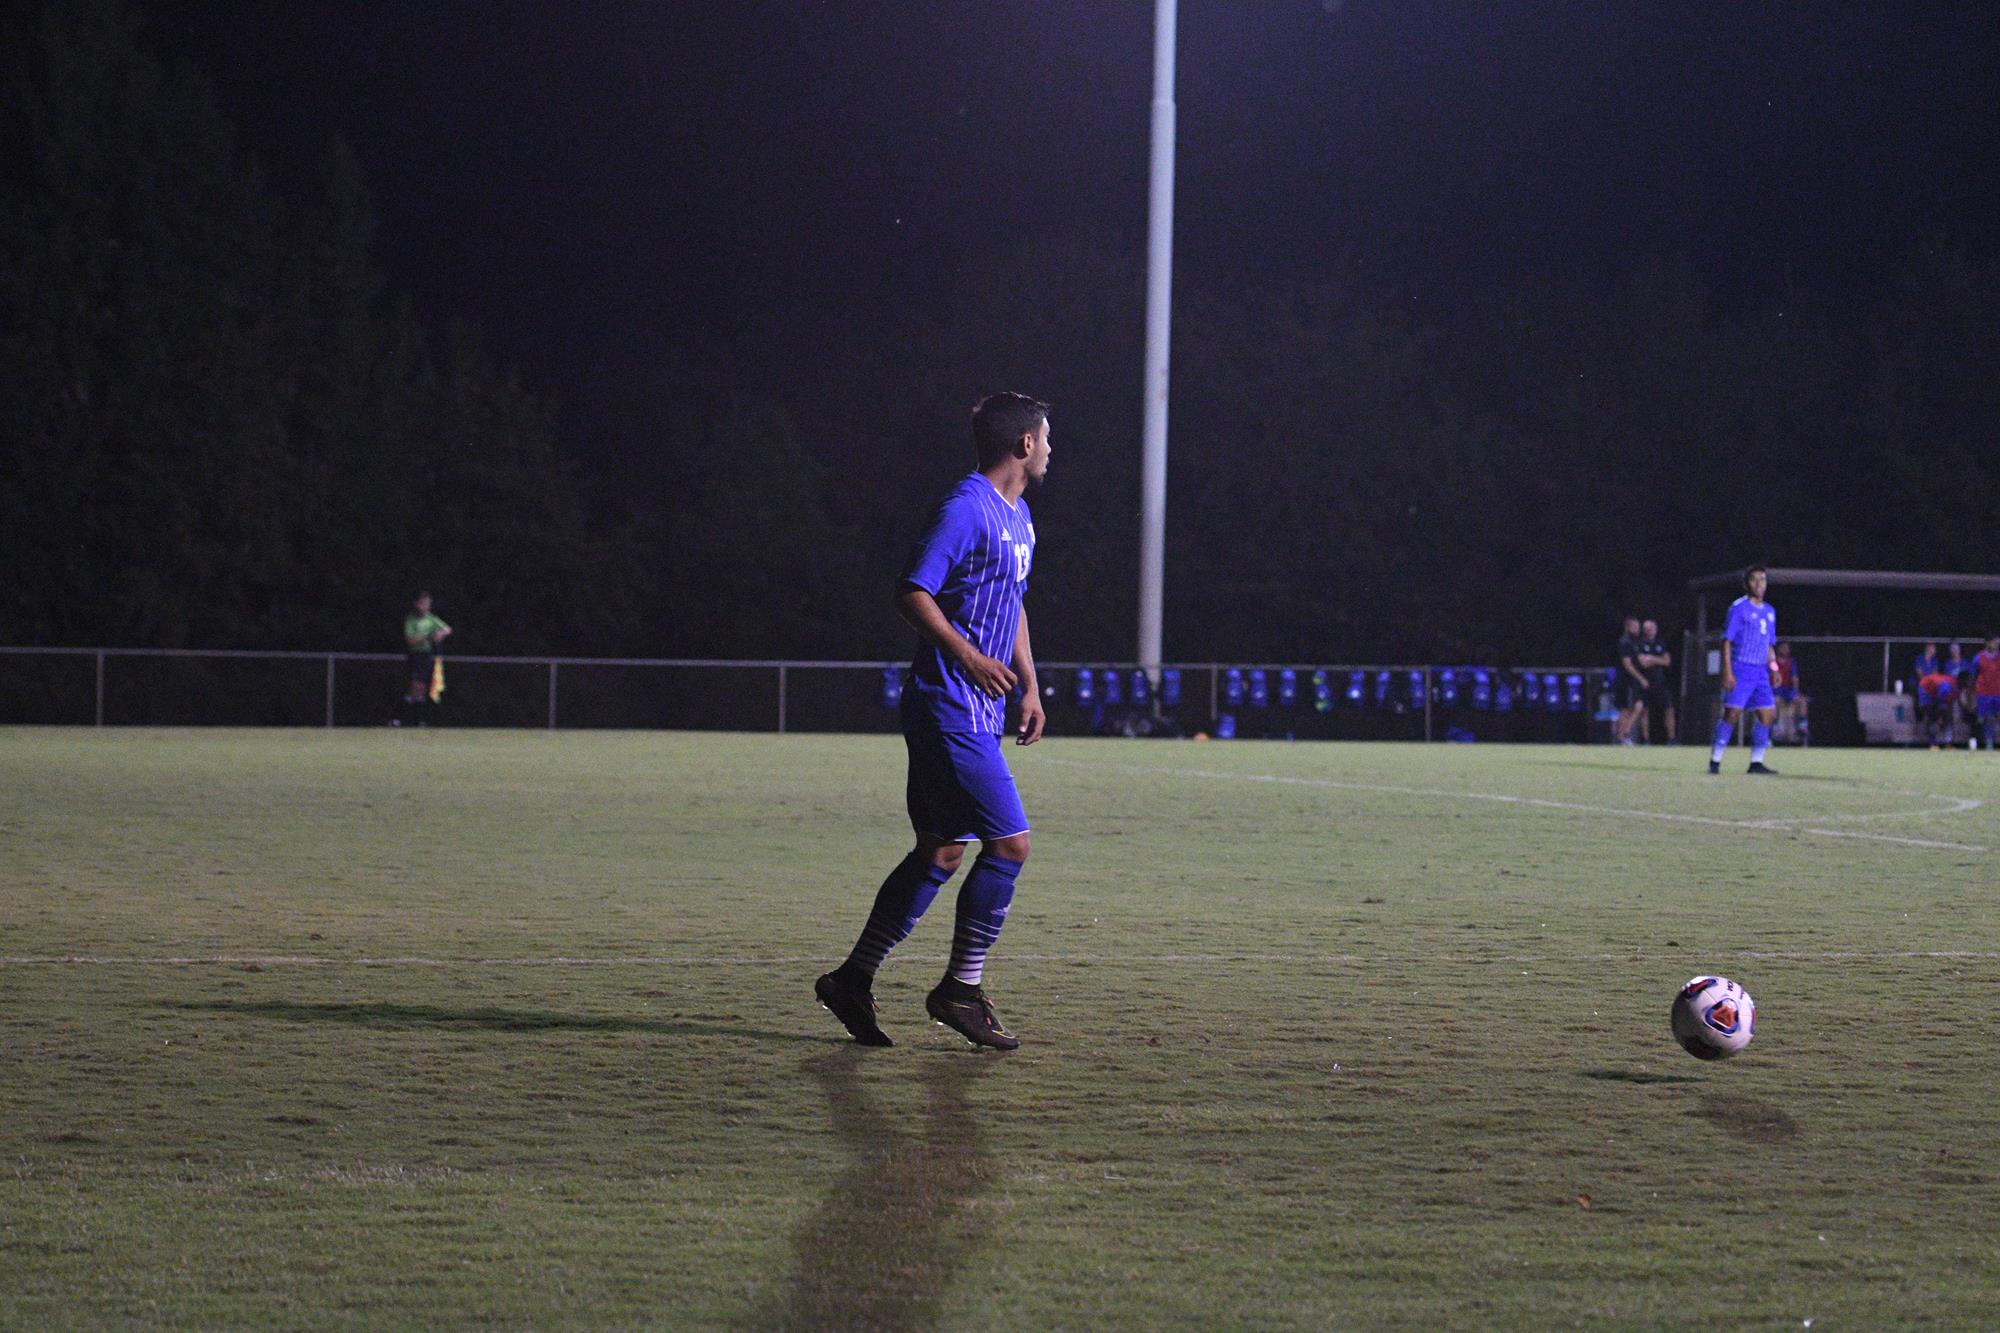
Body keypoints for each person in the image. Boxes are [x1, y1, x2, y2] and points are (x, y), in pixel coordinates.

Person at [815, 392, 1051, 1050]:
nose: (1052, 449)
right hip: (949, 705)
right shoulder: (965, 508)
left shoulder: (1020, 516)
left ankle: (851, 979)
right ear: (1024, 445)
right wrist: (971, 656)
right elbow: (911, 590)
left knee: (943, 849)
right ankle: (960, 989)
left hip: (979, 707)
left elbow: (1013, 601)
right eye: (1046, 437)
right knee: (1010, 844)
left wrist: (1028, 682)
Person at [1710, 565, 1779, 775]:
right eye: (1755, 580)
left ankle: (1756, 763)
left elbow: (1769, 644)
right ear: (1747, 584)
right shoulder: (1738, 608)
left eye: (1763, 580)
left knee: (1767, 716)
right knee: (1732, 714)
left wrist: (1774, 668)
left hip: (1760, 672)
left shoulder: (1770, 611)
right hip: (1741, 667)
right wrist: (1727, 671)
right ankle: (1715, 762)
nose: (1759, 584)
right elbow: (1727, 640)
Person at [396, 591, 451, 726]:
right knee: (415, 686)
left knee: (422, 688)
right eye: (423, 603)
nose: (426, 606)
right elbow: (410, 641)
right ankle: (398, 717)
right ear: (417, 604)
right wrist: (428, 637)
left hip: (426, 656)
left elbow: (447, 629)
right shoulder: (411, 619)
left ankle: (418, 720)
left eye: (428, 603)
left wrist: (441, 634)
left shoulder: (431, 618)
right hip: (415, 655)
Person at [1638, 618, 1675, 743]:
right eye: (1647, 629)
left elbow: (1667, 661)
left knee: (1668, 708)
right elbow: (1642, 663)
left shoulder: (1660, 643)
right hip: (1645, 682)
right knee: (1645, 711)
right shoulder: (1640, 644)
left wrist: (1652, 658)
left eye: (1652, 629)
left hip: (1660, 683)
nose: (1650, 632)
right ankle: (1646, 739)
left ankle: (1671, 738)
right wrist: (1657, 660)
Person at [1613, 615, 1647, 744]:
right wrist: (1641, 678)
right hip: (1625, 680)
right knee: (1625, 709)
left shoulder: (1634, 642)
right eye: (1635, 626)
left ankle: (1625, 733)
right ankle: (1622, 737)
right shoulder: (1624, 642)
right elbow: (1627, 665)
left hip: (1632, 681)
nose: (1638, 629)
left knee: (1638, 705)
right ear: (1628, 627)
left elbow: (1638, 659)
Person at [1770, 641, 1808, 744]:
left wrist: (1795, 692)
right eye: (1783, 647)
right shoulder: (1773, 662)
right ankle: (1775, 727)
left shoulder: (1791, 662)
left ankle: (1802, 726)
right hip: (1776, 690)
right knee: (1776, 701)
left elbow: (1795, 679)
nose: (1785, 650)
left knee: (1802, 701)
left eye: (1787, 648)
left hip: (1788, 690)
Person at [1973, 637, 2000, 751]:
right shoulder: (1978, 658)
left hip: (1998, 693)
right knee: (1985, 719)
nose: (1996, 644)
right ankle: (1988, 744)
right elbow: (1972, 675)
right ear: (1987, 643)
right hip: (1983, 693)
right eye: (1994, 642)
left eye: (1997, 643)